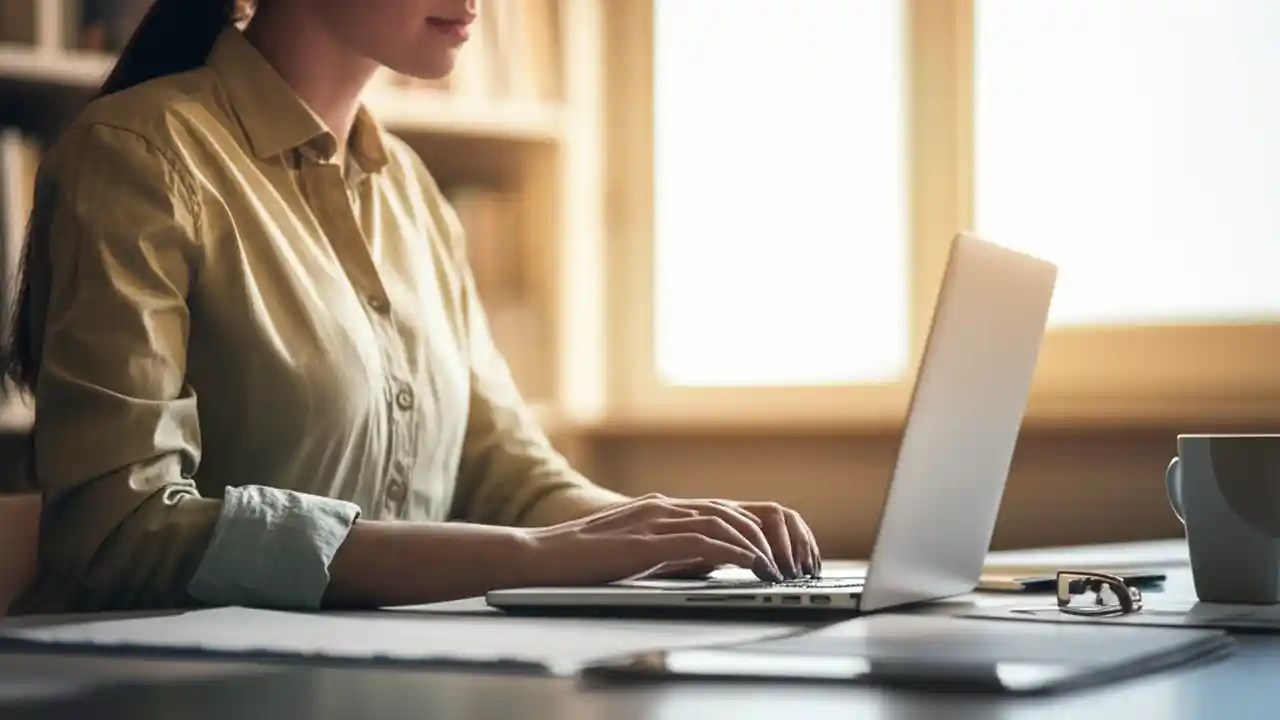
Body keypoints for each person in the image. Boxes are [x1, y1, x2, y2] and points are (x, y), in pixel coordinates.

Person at [0, 0, 820, 613]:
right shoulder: (139, 155)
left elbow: (505, 474)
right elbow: (119, 530)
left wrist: (673, 532)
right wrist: (533, 557)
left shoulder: (413, 194)